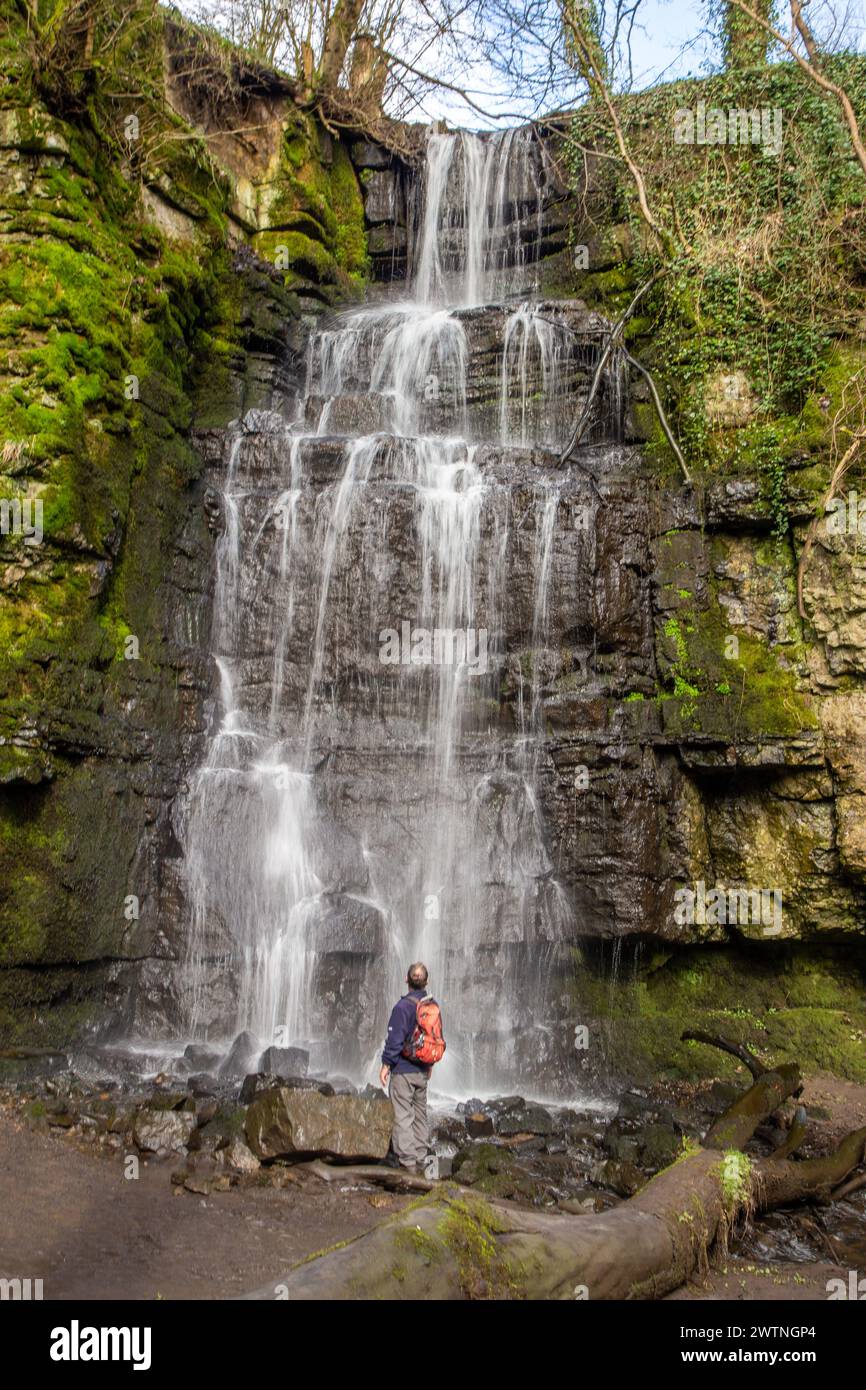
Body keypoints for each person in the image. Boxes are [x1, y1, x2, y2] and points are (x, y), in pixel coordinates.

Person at [379, 962, 442, 1175]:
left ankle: (407, 1165)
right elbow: (435, 1038)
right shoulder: (431, 1007)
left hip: (403, 1071)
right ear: (427, 982)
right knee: (420, 1115)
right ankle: (421, 1158)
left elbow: (395, 1040)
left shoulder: (403, 1007)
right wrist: (430, 1064)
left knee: (403, 1116)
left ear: (406, 980)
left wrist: (386, 1064)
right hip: (422, 1071)